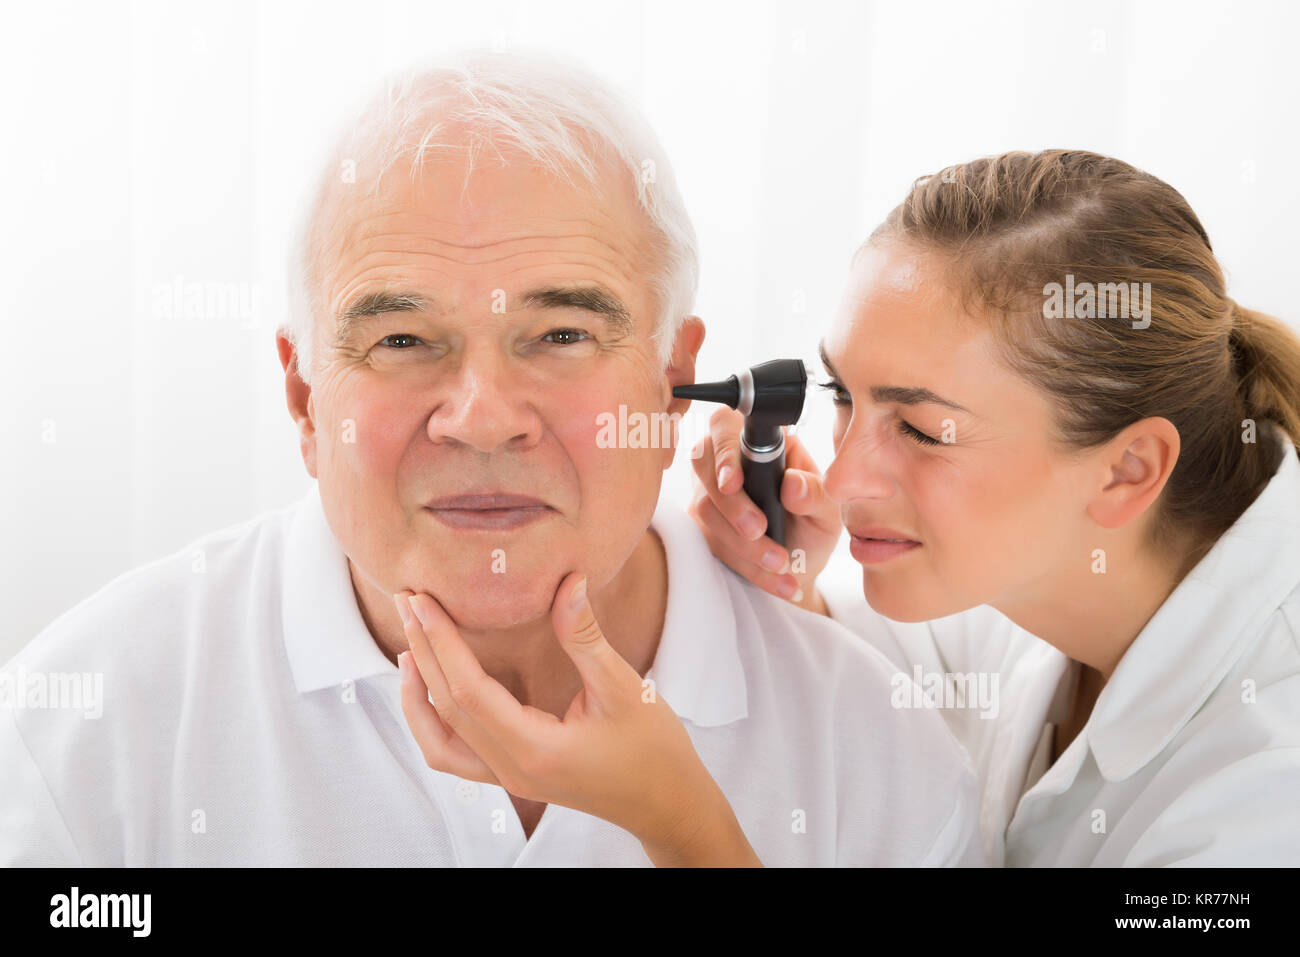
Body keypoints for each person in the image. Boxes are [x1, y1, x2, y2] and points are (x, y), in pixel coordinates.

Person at [0, 51, 982, 867]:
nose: (480, 420)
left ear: (672, 379)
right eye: (400, 340)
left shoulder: (883, 761)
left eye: (559, 336)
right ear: (304, 401)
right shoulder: (86, 738)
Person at [400, 149, 1300, 866]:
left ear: (1126, 470)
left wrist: (678, 824)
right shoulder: (1050, 592)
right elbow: (917, 673)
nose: (842, 476)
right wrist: (799, 593)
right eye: (845, 396)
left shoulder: (1268, 789)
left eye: (923, 429)